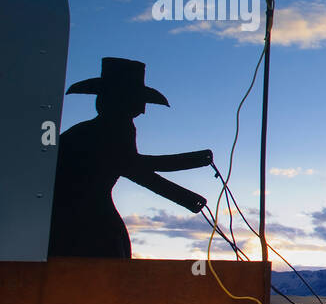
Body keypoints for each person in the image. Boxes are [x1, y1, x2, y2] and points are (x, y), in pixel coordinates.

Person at [47, 57, 212, 258]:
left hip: (76, 213)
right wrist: (190, 193)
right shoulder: (109, 129)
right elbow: (134, 168)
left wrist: (195, 170)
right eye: (140, 100)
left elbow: (131, 165)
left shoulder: (94, 129)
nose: (142, 109)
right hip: (80, 217)